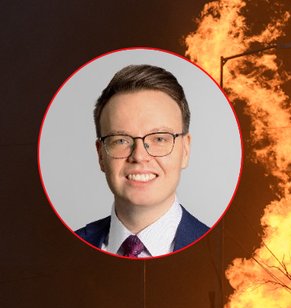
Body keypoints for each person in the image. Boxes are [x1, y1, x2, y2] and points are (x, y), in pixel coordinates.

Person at [75, 64, 209, 257]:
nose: (139, 156)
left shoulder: (230, 257)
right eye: (121, 140)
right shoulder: (60, 252)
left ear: (185, 150)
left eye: (159, 139)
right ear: (101, 155)